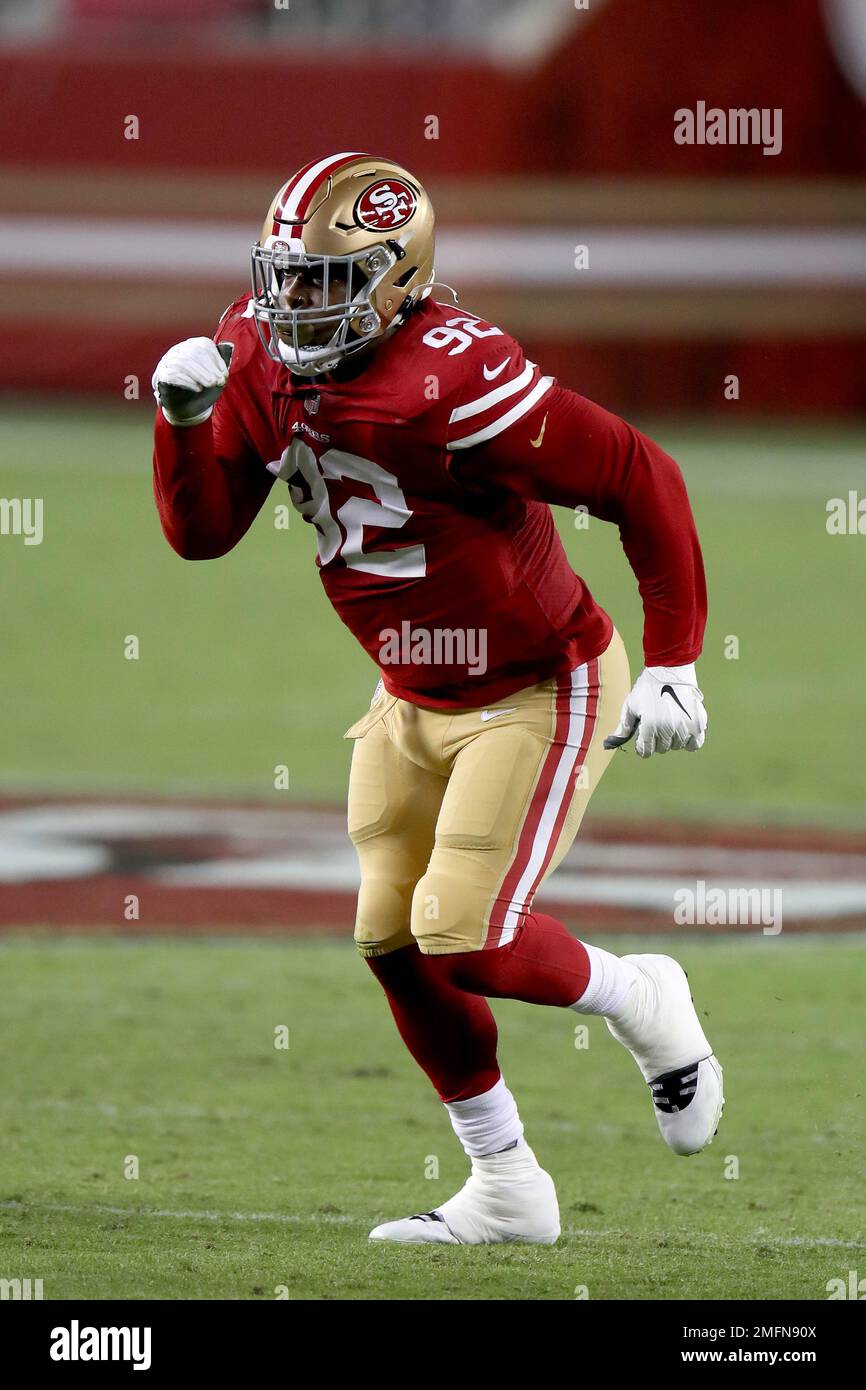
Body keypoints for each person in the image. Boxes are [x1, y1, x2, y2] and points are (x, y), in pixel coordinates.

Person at [152, 152, 723, 1246]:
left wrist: (674, 659)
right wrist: (182, 423)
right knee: (389, 938)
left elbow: (638, 474)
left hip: (534, 682)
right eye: (283, 279)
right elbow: (202, 534)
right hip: (407, 689)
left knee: (460, 935)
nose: (292, 306)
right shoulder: (259, 352)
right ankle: (504, 1184)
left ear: (398, 278)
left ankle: (641, 994)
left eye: (324, 282)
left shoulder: (453, 379)